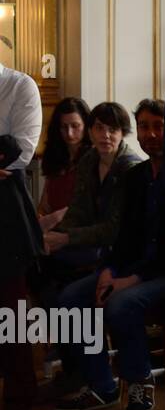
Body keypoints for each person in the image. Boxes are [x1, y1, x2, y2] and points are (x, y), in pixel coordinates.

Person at [52, 99, 165, 410]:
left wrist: (132, 279)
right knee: (70, 299)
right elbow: (124, 237)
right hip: (131, 269)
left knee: (121, 304)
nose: (151, 134)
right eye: (144, 126)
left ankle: (139, 381)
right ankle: (102, 385)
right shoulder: (136, 176)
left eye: (158, 126)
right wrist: (109, 270)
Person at [39, 101, 142, 299]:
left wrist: (66, 238)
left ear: (123, 133)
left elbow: (113, 230)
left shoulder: (129, 168)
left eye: (113, 130)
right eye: (99, 128)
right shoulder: (89, 159)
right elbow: (78, 211)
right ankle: (57, 327)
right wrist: (55, 237)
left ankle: (72, 324)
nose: (105, 135)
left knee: (63, 287)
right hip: (90, 241)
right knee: (38, 260)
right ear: (91, 131)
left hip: (117, 250)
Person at [0, 60, 51, 410]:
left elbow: (19, 151)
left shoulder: (20, 86)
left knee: (13, 327)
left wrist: (5, 151)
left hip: (5, 225)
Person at [37, 96, 92, 219]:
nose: (69, 133)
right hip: (51, 227)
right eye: (64, 127)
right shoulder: (55, 157)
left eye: (75, 126)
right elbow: (44, 206)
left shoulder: (94, 158)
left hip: (77, 232)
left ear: (86, 126)